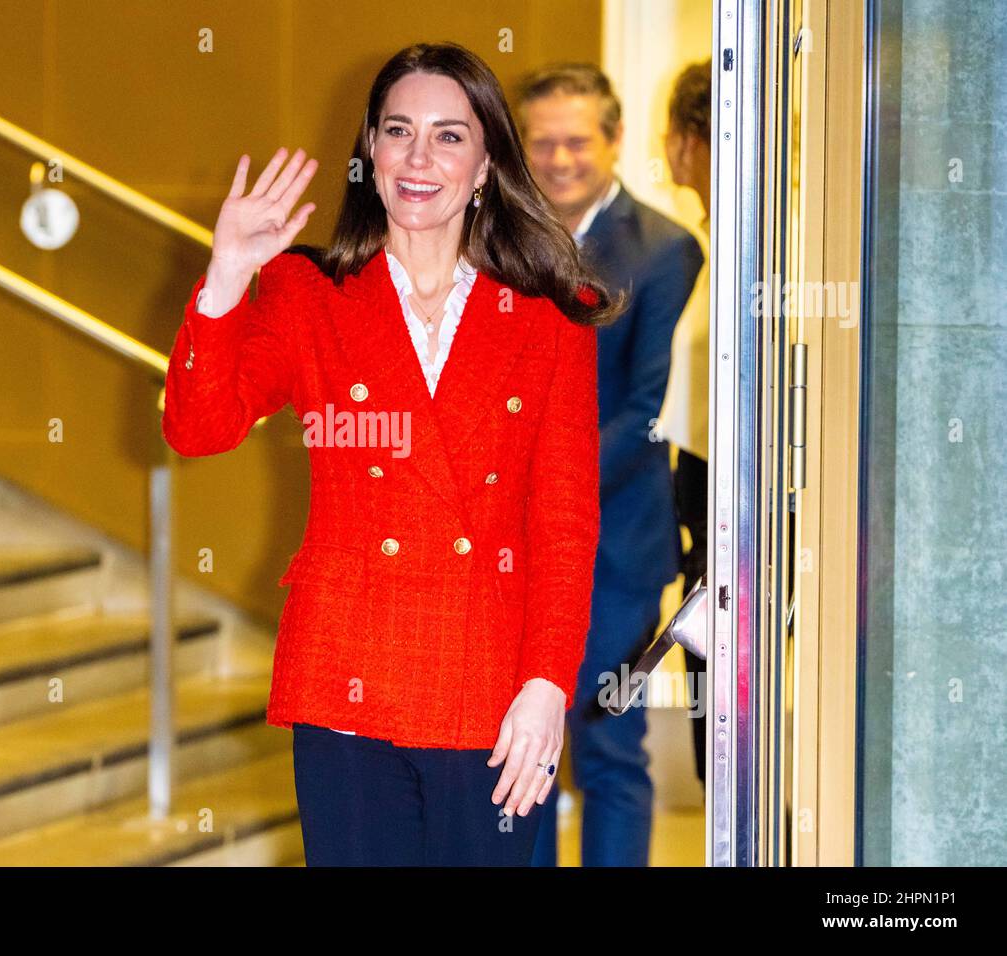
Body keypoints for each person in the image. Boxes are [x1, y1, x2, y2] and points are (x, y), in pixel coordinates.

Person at [161, 41, 619, 866]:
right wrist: (228, 272)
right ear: (368, 152)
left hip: (489, 688)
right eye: (398, 131)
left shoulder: (552, 314)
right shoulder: (309, 295)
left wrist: (547, 685)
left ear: (486, 164)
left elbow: (564, 522)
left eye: (450, 136)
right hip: (347, 682)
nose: (419, 157)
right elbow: (200, 427)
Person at [516, 64, 704, 867]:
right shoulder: (496, 238)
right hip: (504, 543)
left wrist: (542, 491)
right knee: (511, 751)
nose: (558, 160)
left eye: (576, 141)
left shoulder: (665, 251)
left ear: (615, 140)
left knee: (606, 748)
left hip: (613, 547)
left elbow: (647, 409)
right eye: (542, 143)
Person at [659, 59, 712, 785]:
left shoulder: (759, 240)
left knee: (727, 724)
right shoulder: (706, 239)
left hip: (736, 494)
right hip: (697, 489)